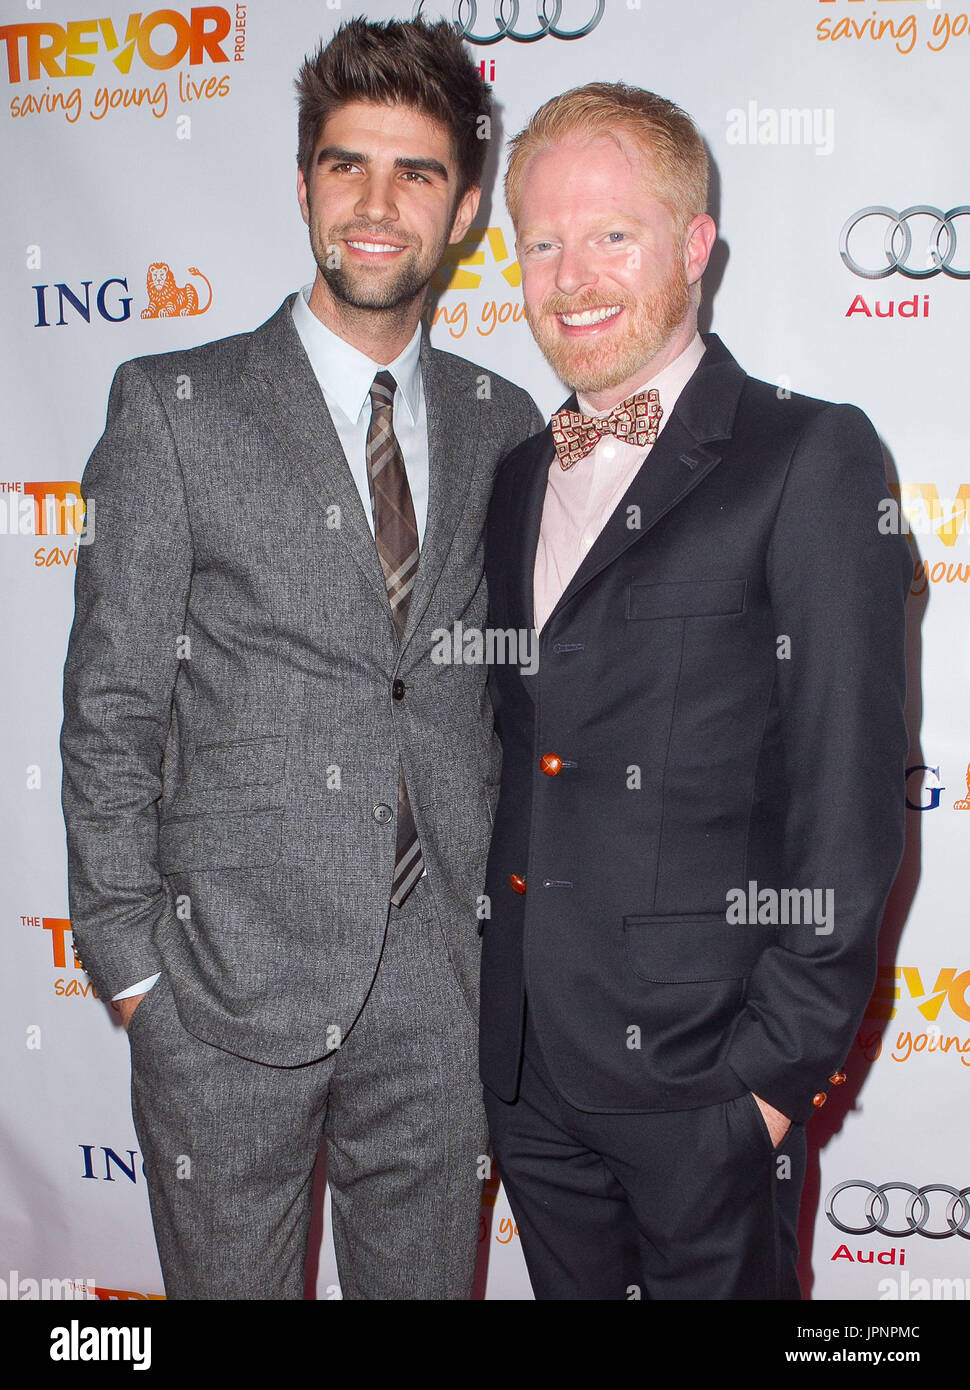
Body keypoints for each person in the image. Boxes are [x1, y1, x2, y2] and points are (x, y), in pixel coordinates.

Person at [59, 17, 541, 1301]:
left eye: (416, 173)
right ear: (303, 182)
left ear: (466, 205)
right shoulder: (175, 406)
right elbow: (109, 702)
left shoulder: (508, 423)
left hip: (441, 987)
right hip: (219, 989)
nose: (376, 205)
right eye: (346, 165)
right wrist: (131, 969)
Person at [479, 82, 910, 1300]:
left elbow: (850, 786)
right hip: (526, 1074)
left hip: (708, 1084)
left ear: (693, 245)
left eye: (611, 234)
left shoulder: (807, 456)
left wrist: (770, 1088)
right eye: (544, 242)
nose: (572, 278)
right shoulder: (516, 476)